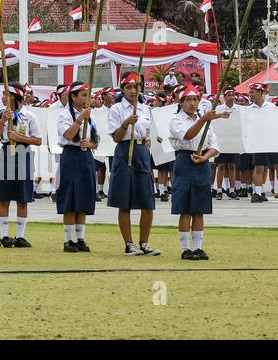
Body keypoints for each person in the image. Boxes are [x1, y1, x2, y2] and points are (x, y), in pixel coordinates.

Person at [170, 86, 227, 259]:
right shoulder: (176, 119)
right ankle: (185, 248)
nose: (192, 103)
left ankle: (198, 247)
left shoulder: (205, 120)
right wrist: (203, 120)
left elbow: (215, 145)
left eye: (195, 100)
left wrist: (205, 157)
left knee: (199, 208)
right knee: (186, 207)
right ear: (181, 102)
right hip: (185, 160)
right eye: (188, 100)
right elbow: (187, 136)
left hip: (202, 161)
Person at [108, 72, 161, 255]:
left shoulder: (145, 108)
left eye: (136, 86)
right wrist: (125, 124)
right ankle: (129, 244)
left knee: (147, 200)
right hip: (124, 150)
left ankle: (144, 242)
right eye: (129, 87)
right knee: (125, 201)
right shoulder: (116, 109)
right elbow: (115, 137)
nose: (133, 90)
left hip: (141, 152)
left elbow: (147, 133)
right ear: (122, 89)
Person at [0, 83, 41, 250]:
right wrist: (3, 122)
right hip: (6, 152)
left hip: (23, 153)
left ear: (14, 97)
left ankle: (20, 236)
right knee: (4, 197)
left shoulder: (29, 116)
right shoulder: (1, 114)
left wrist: (21, 138)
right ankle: (4, 235)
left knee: (22, 198)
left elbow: (38, 140)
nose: (3, 97)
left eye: (6, 94)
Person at [55, 80, 98, 253]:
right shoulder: (65, 115)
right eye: (83, 95)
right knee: (70, 197)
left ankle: (80, 238)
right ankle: (68, 239)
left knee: (83, 196)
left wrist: (90, 144)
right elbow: (68, 134)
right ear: (73, 97)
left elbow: (96, 140)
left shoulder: (90, 115)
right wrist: (80, 119)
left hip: (85, 156)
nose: (87, 98)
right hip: (71, 156)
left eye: (88, 94)